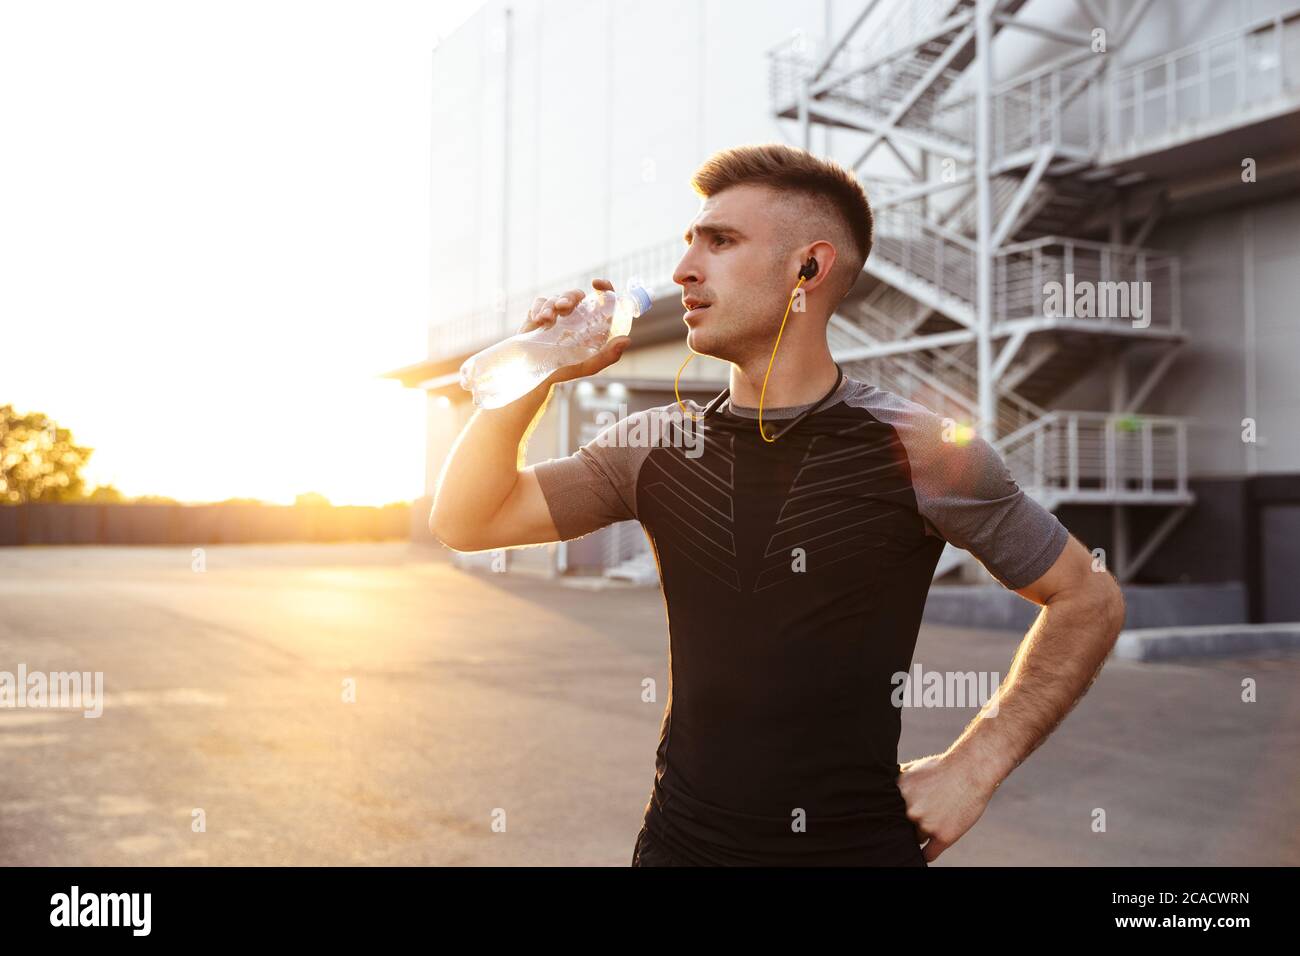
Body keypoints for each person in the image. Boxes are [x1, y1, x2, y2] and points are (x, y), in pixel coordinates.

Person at [430, 143, 1126, 866]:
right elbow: (469, 519)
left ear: (810, 268)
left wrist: (978, 763)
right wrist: (540, 368)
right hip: (678, 848)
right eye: (689, 242)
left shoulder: (921, 448)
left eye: (721, 241)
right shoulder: (655, 443)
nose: (683, 271)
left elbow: (1087, 597)